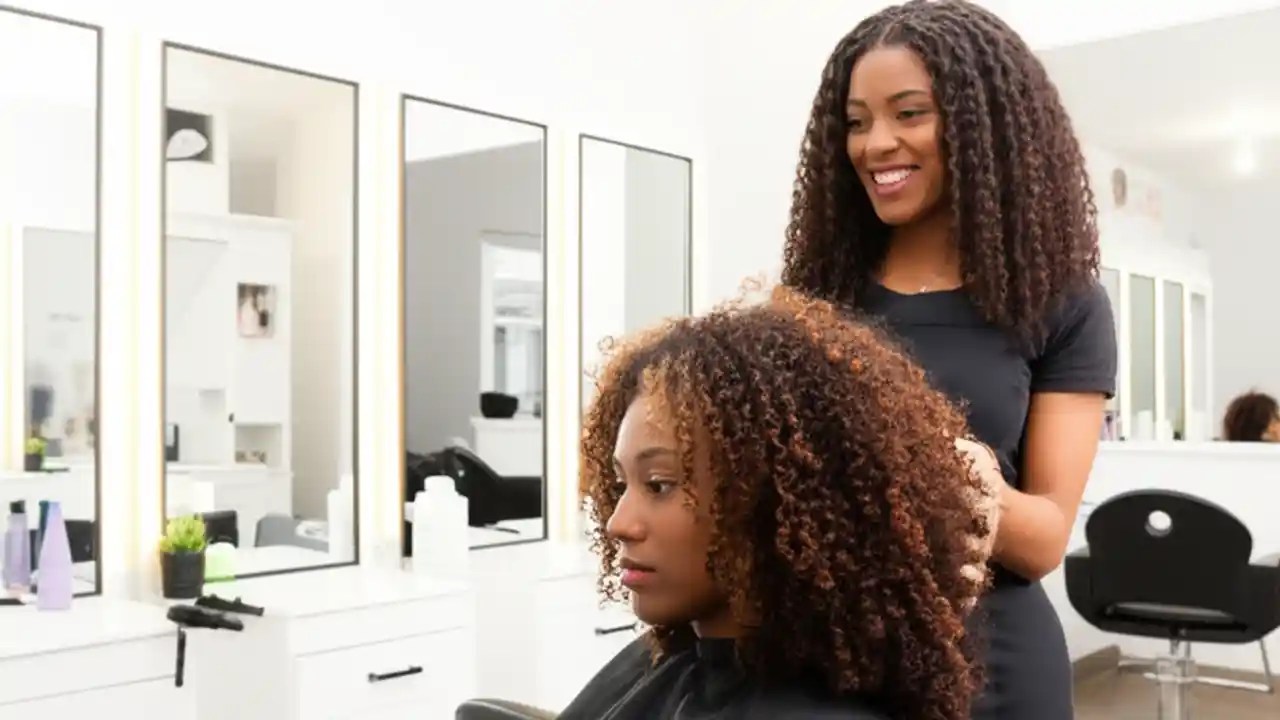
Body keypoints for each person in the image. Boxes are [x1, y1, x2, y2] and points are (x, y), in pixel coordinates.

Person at [779, 2, 1117, 718]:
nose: (876, 145)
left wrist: (968, 480)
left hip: (996, 672)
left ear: (980, 126)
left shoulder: (1062, 303)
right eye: (858, 121)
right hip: (834, 665)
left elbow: (1044, 541)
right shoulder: (814, 297)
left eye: (909, 114)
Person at [561, 285, 995, 720]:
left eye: (659, 485)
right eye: (621, 485)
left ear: (765, 500)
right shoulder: (662, 666)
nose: (619, 524)